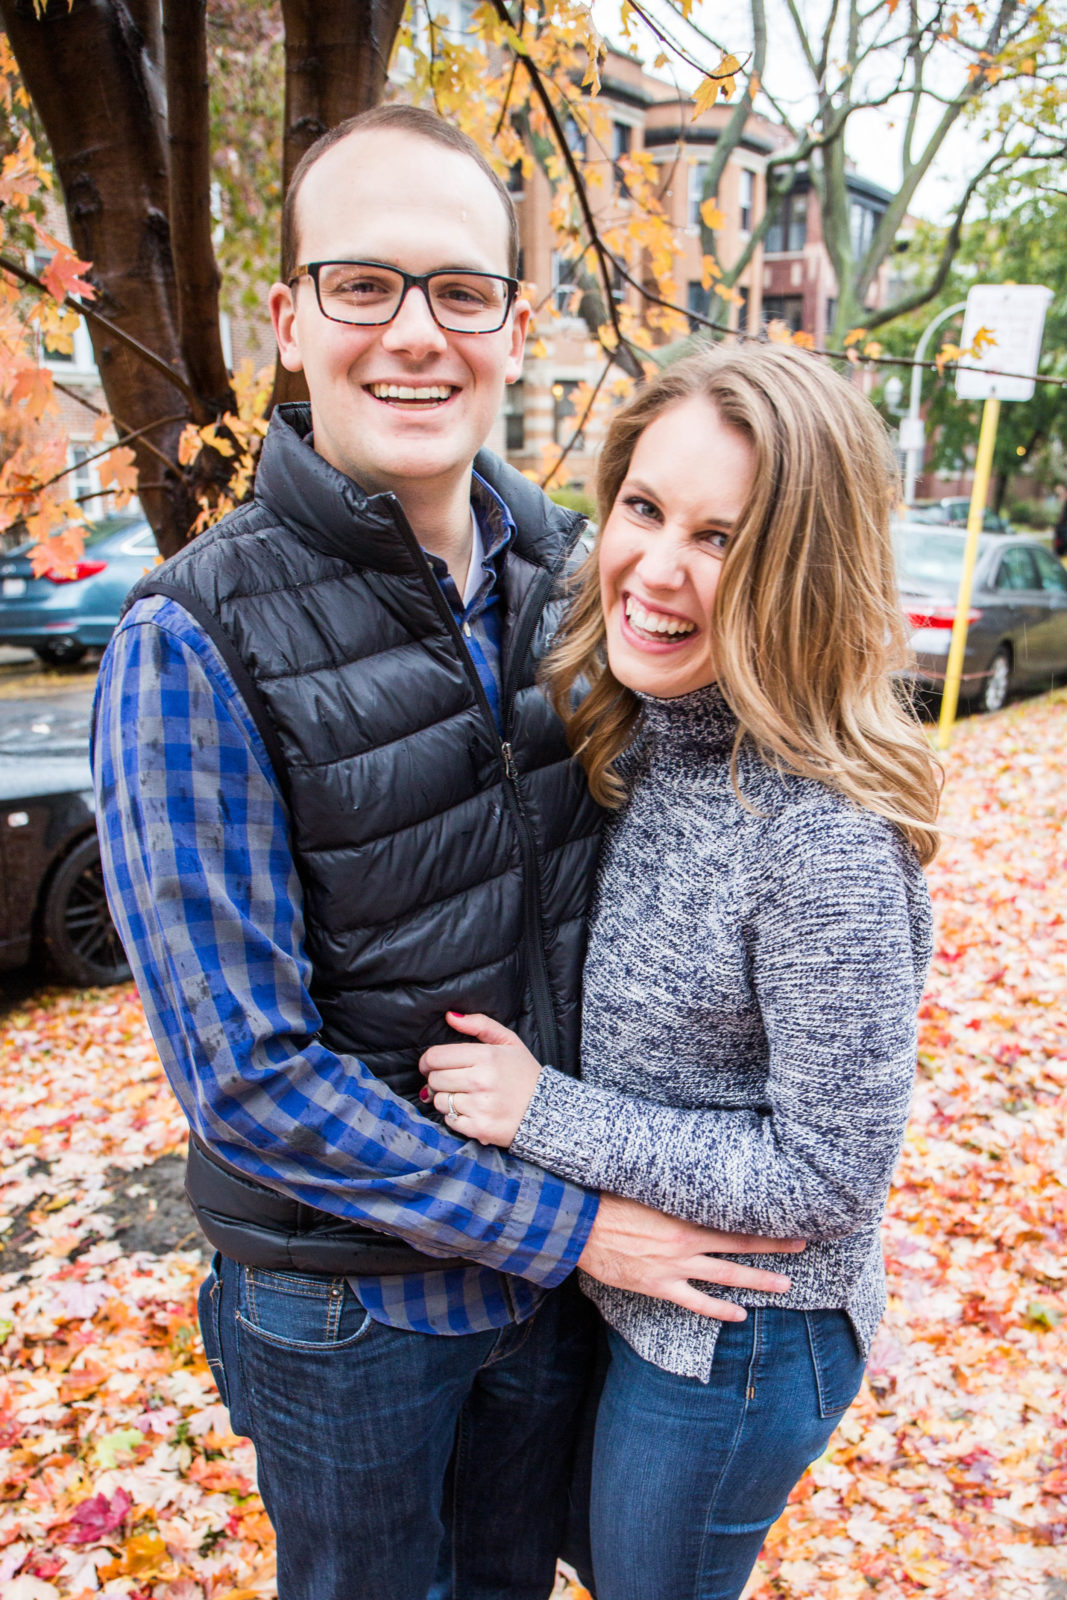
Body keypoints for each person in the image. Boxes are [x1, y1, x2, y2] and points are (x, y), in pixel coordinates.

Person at [92, 108, 796, 1600]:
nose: (415, 336)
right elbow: (250, 1082)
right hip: (350, 1314)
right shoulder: (191, 638)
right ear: (288, 319)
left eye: (458, 291)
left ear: (513, 322)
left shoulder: (571, 578)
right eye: (363, 285)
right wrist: (578, 1227)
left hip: (548, 1297)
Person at [421, 343, 943, 1600]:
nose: (653, 569)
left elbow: (829, 1168)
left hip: (741, 1330)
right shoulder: (656, 726)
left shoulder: (817, 838)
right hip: (635, 1296)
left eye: (720, 538)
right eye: (643, 509)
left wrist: (544, 1112)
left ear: (798, 573)